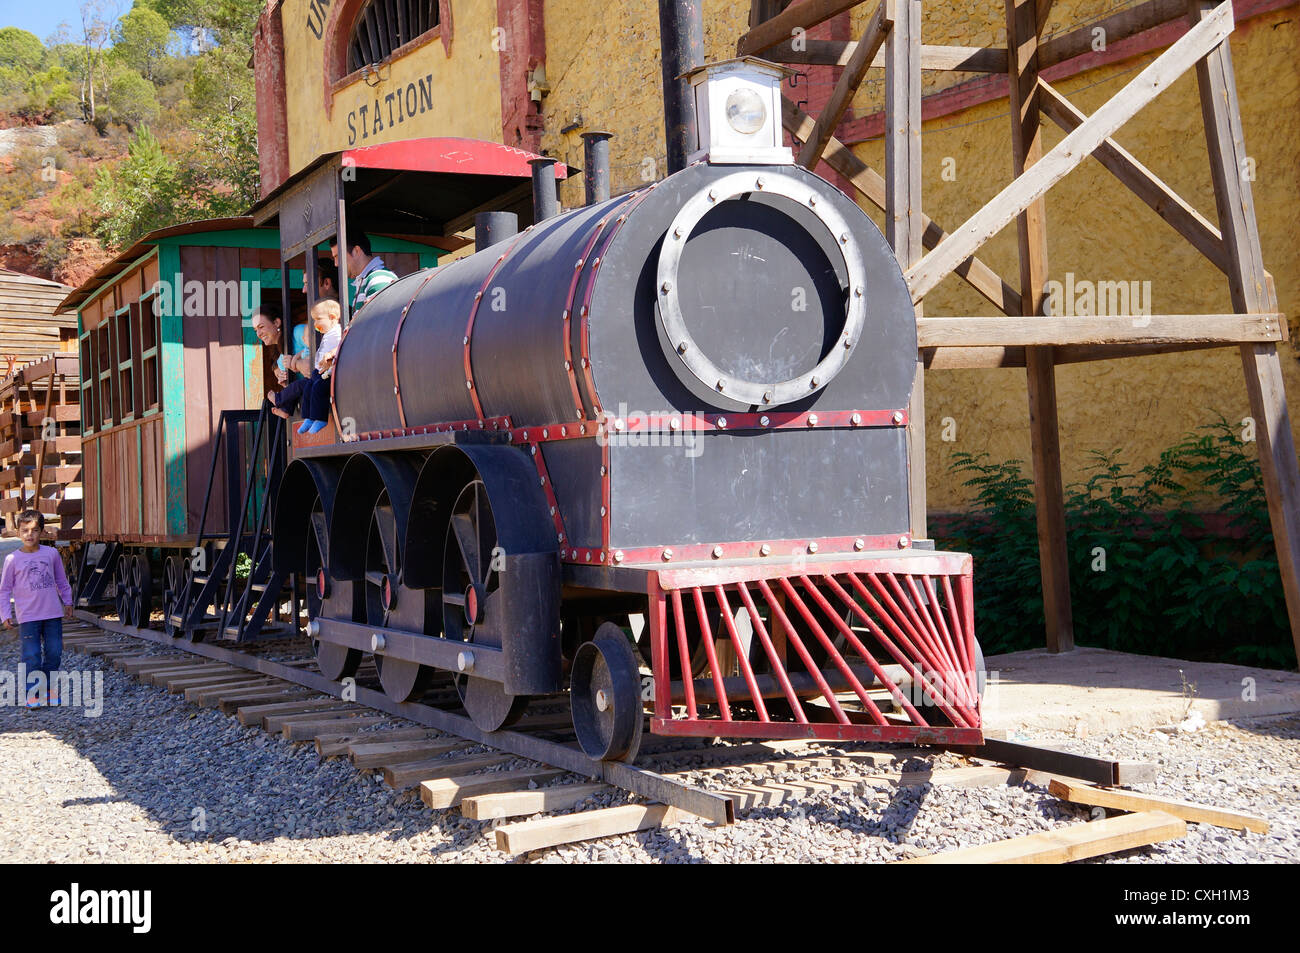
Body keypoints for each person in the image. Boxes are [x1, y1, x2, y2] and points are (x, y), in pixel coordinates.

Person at [0, 509, 74, 708]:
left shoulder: (51, 554)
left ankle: (48, 690)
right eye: (25, 530)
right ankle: (33, 693)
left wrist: (68, 602)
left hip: (52, 614)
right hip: (28, 617)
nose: (29, 535)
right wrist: (5, 614)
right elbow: (4, 590)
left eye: (34, 530)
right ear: (18, 532)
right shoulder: (12, 560)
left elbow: (61, 580)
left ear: (41, 531)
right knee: (31, 655)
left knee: (54, 652)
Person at [296, 298, 343, 435]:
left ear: (332, 317)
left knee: (319, 388)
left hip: (330, 371)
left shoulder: (338, 331)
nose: (315, 324)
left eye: (318, 319)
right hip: (320, 370)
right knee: (308, 387)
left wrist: (330, 354)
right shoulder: (329, 333)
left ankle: (320, 419)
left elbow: (340, 346)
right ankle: (309, 418)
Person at [329, 232, 397, 312]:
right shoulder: (367, 280)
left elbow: (380, 323)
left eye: (338, 256)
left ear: (356, 251)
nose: (336, 264)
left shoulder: (378, 279)